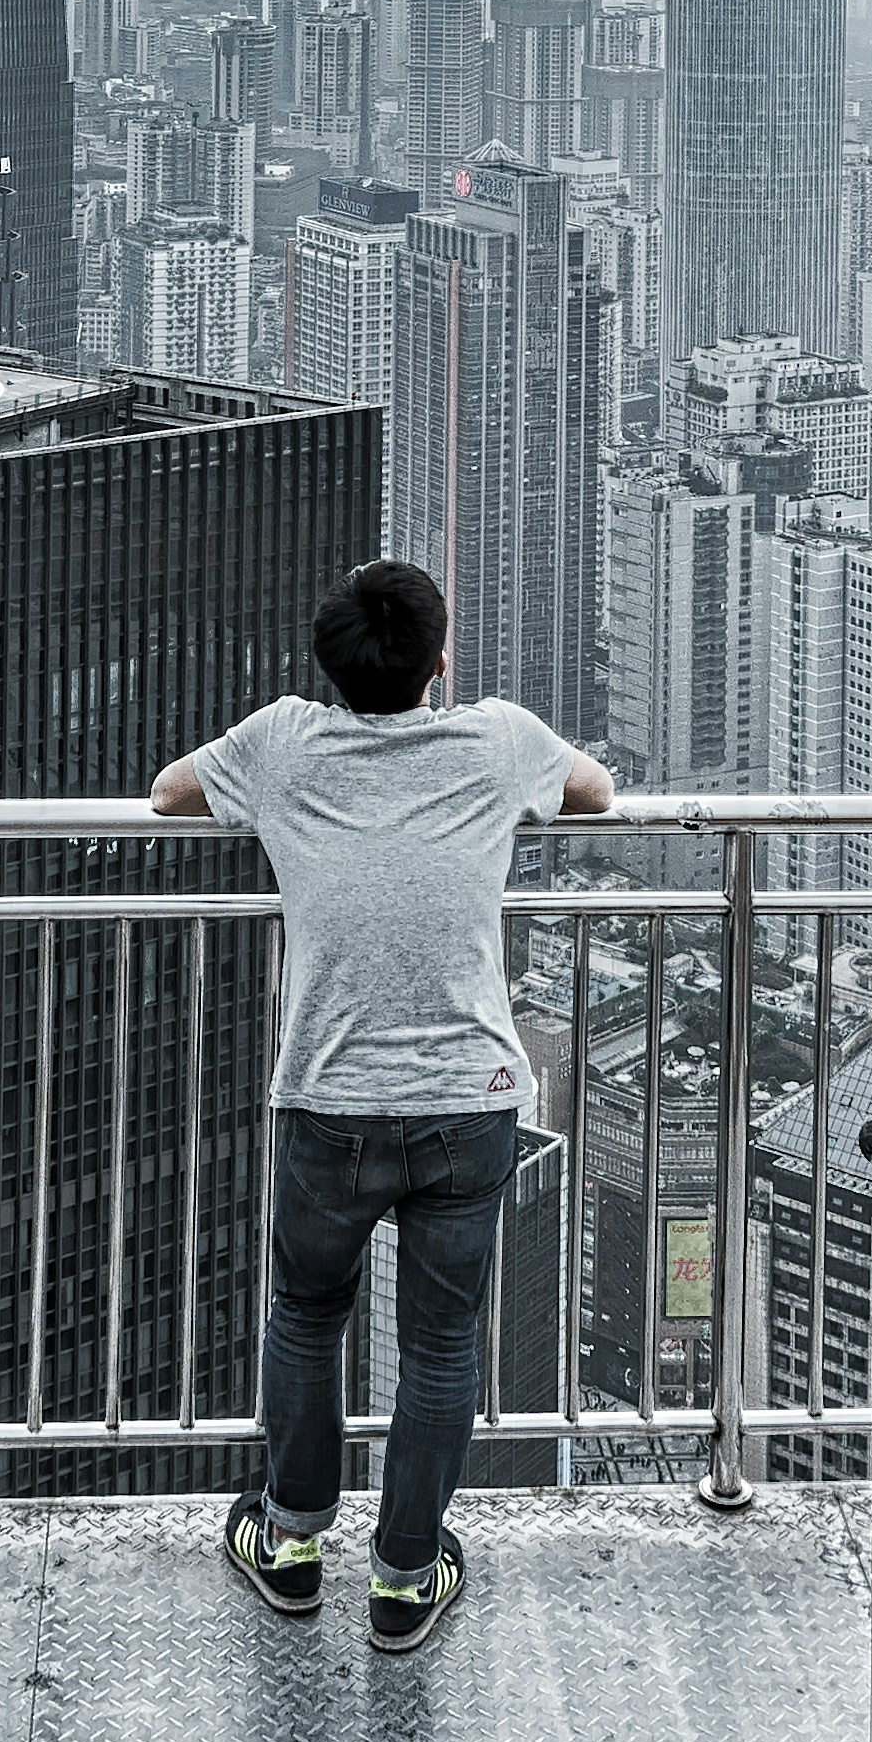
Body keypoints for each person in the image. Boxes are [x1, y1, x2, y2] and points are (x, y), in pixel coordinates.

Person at [152, 552, 609, 1657]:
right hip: (471, 1098)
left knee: (308, 1317)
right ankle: (406, 1576)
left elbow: (167, 791)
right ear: (440, 661)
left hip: (330, 1096)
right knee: (442, 1344)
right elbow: (598, 791)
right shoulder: (497, 739)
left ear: (327, 666)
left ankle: (292, 1541)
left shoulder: (282, 741)